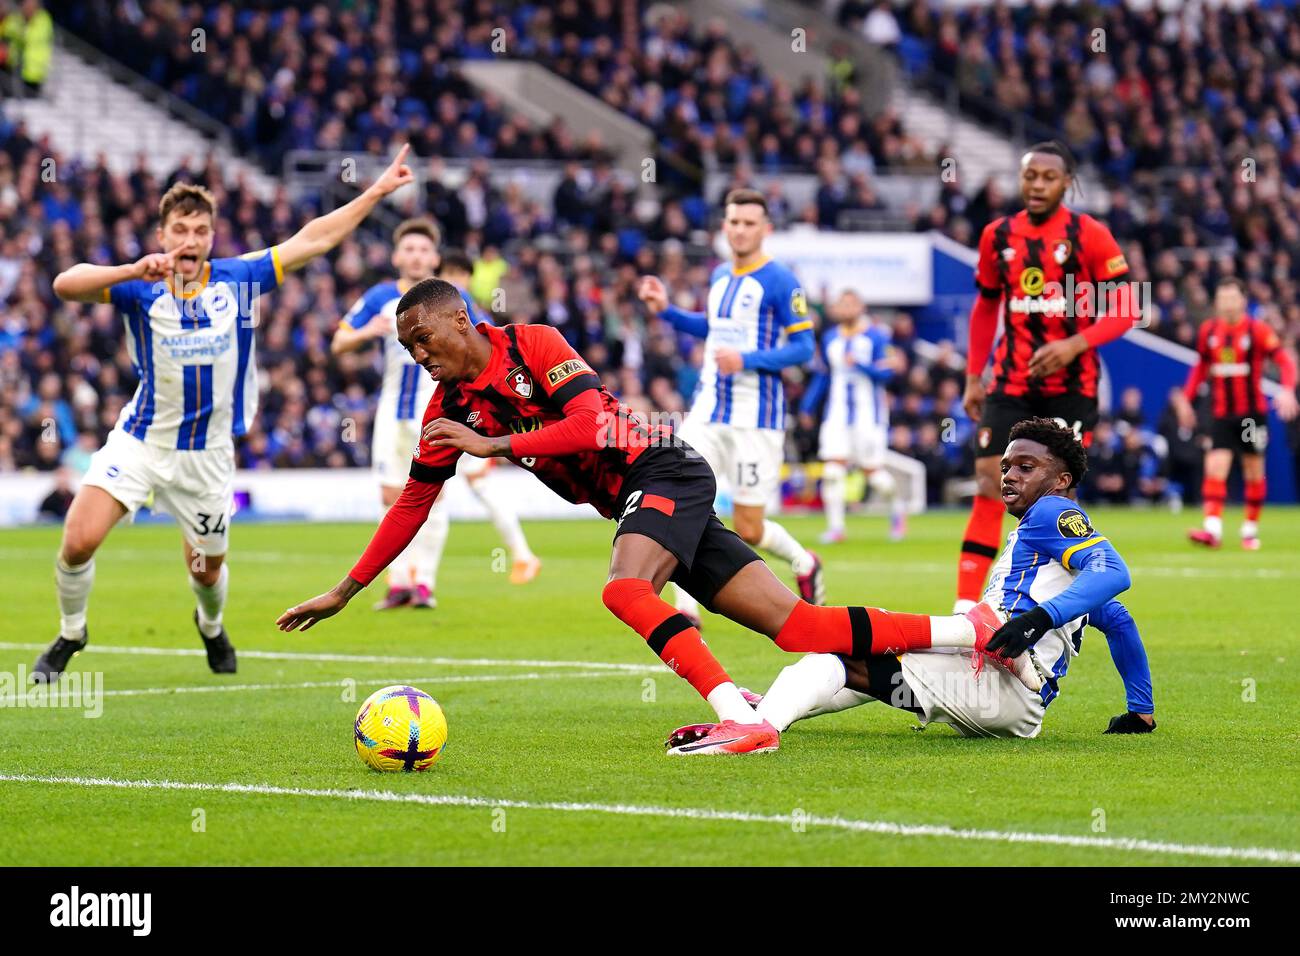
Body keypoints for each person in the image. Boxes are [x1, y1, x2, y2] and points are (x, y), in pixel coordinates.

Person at [276, 279, 1023, 755]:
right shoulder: (450, 410)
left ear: (461, 320)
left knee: (625, 590)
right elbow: (414, 501)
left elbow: (594, 424)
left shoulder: (532, 344)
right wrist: (346, 588)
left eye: (423, 339)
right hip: (642, 495)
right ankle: (967, 630)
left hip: (661, 465)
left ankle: (743, 718)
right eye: (406, 347)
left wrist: (495, 442)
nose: (416, 355)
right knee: (796, 627)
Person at [32, 146, 415, 682]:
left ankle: (210, 626)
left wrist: (374, 191)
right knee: (77, 541)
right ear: (163, 235)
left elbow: (315, 239)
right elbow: (64, 284)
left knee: (206, 572)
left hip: (208, 456)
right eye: (180, 230)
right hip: (141, 442)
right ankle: (72, 632)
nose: (190, 241)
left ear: (211, 237)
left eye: (200, 231)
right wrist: (129, 268)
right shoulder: (139, 287)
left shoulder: (239, 280)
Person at [673, 418, 1138, 743]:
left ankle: (758, 729)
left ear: (1061, 480)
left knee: (846, 653)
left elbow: (1115, 571)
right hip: (1013, 696)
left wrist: (1038, 620)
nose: (1009, 476)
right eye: (1006, 467)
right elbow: (1118, 622)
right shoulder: (1054, 558)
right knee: (870, 670)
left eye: (1025, 468)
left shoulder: (1053, 512)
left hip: (1001, 685)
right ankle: (771, 710)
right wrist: (1141, 710)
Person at [956, 141, 1139, 613]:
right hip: (1011, 383)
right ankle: (963, 608)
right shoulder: (997, 236)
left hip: (1071, 387)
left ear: (1067, 182)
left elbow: (1126, 306)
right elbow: (986, 307)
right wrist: (974, 376)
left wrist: (1075, 343)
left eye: (1048, 177)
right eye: (1029, 176)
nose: (1037, 185)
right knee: (987, 481)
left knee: (1059, 491)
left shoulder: (1090, 235)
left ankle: (1068, 605)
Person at [636, 188, 821, 626]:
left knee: (750, 528)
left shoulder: (781, 281)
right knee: (678, 496)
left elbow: (804, 348)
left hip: (757, 420)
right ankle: (686, 607)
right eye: (733, 222)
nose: (740, 230)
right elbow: (711, 326)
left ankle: (804, 562)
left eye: (749, 223)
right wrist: (667, 311)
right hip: (707, 410)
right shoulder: (720, 275)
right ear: (724, 227)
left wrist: (748, 360)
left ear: (766, 229)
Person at [330, 229, 539, 610]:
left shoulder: (448, 301)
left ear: (433, 258)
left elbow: (483, 346)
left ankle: (424, 583)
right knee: (390, 497)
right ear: (396, 256)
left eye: (423, 249)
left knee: (434, 496)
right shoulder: (379, 298)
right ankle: (398, 584)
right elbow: (338, 342)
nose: (415, 256)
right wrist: (366, 331)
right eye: (408, 248)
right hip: (392, 413)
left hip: (438, 410)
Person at [1177, 278, 1298, 550]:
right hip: (1221, 414)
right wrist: (1186, 399)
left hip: (1250, 415)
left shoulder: (1257, 331)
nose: (1227, 304)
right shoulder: (1209, 331)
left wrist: (1287, 390)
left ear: (1243, 300)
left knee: (1253, 471)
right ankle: (1212, 530)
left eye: (1232, 298)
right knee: (1215, 467)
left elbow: (1284, 361)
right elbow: (1200, 368)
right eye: (1222, 298)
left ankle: (1249, 531)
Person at [799, 290, 906, 543]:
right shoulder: (830, 338)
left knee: (875, 476)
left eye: (850, 304)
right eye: (841, 304)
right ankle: (836, 528)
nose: (845, 309)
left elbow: (888, 374)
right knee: (832, 471)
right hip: (836, 415)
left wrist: (860, 364)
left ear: (861, 307)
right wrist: (807, 406)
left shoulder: (876, 337)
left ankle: (897, 508)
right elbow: (824, 375)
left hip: (868, 417)